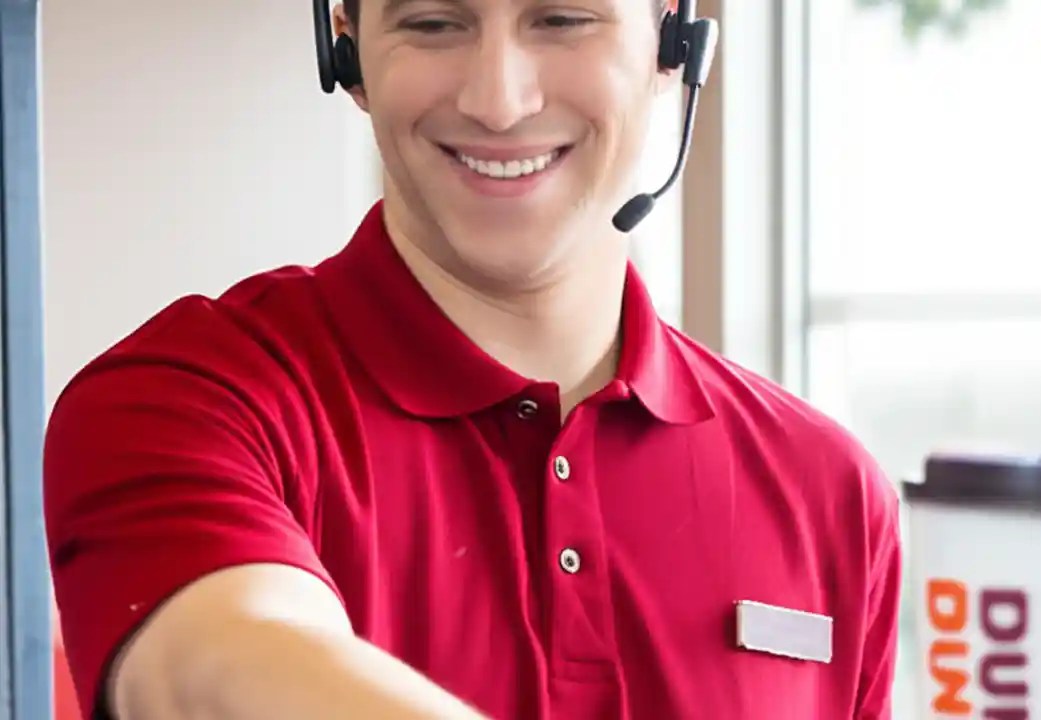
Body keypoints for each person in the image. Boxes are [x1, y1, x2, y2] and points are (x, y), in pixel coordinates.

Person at [42, 1, 902, 718]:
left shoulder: (828, 491)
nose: (499, 99)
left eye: (562, 19)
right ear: (345, 46)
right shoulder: (184, 399)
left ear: (671, 39)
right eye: (434, 22)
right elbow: (229, 662)